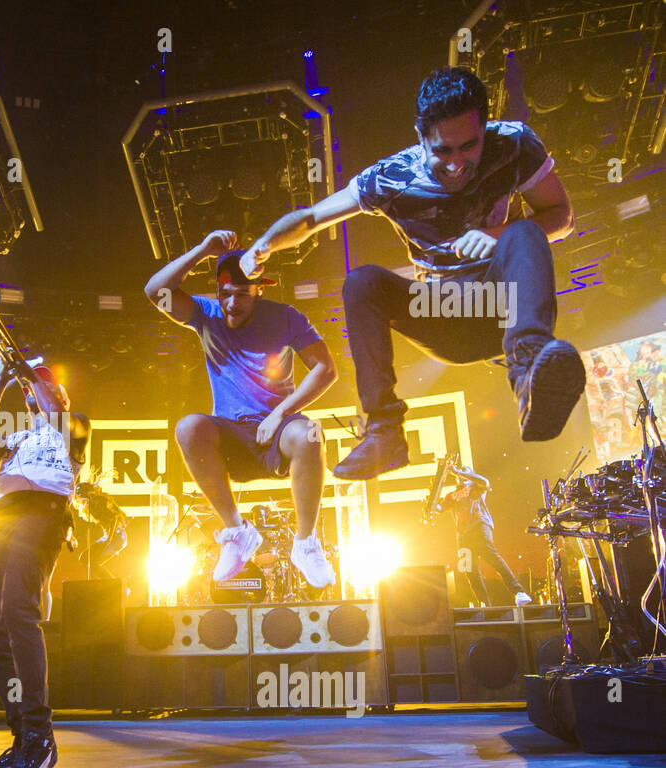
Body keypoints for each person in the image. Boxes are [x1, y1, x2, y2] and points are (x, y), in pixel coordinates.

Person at [240, 66, 584, 479]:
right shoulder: (392, 177)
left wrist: (497, 233)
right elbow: (312, 217)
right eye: (442, 150)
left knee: (527, 231)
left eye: (468, 147)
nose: (457, 164)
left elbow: (561, 216)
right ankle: (384, 434)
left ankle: (529, 376)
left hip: (503, 302)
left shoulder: (514, 143)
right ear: (421, 138)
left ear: (485, 128)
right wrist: (263, 245)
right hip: (442, 311)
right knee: (363, 281)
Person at [144, 230, 339, 587]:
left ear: (260, 288)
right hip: (231, 435)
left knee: (310, 432)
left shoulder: (285, 317)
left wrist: (278, 414)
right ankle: (237, 532)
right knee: (188, 427)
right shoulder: (206, 314)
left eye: (243, 294)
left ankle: (306, 543)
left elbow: (327, 370)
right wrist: (203, 250)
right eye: (225, 294)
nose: (232, 303)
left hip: (277, 433)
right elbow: (154, 291)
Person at [0, 358, 89, 768]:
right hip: (1, 518)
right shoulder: (19, 436)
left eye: (50, 390)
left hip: (43, 511)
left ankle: (40, 734)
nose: (39, 395)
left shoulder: (74, 424)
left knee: (19, 610)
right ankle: (21, 734)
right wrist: (0, 380)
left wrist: (36, 377)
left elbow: (57, 414)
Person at [437, 464, 532, 607]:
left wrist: (459, 472)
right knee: (469, 570)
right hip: (462, 535)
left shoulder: (476, 486)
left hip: (479, 526)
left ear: (472, 474)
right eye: (459, 472)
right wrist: (432, 505)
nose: (461, 473)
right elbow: (440, 508)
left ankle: (519, 592)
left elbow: (485, 482)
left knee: (491, 556)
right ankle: (484, 603)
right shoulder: (451, 495)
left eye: (465, 470)